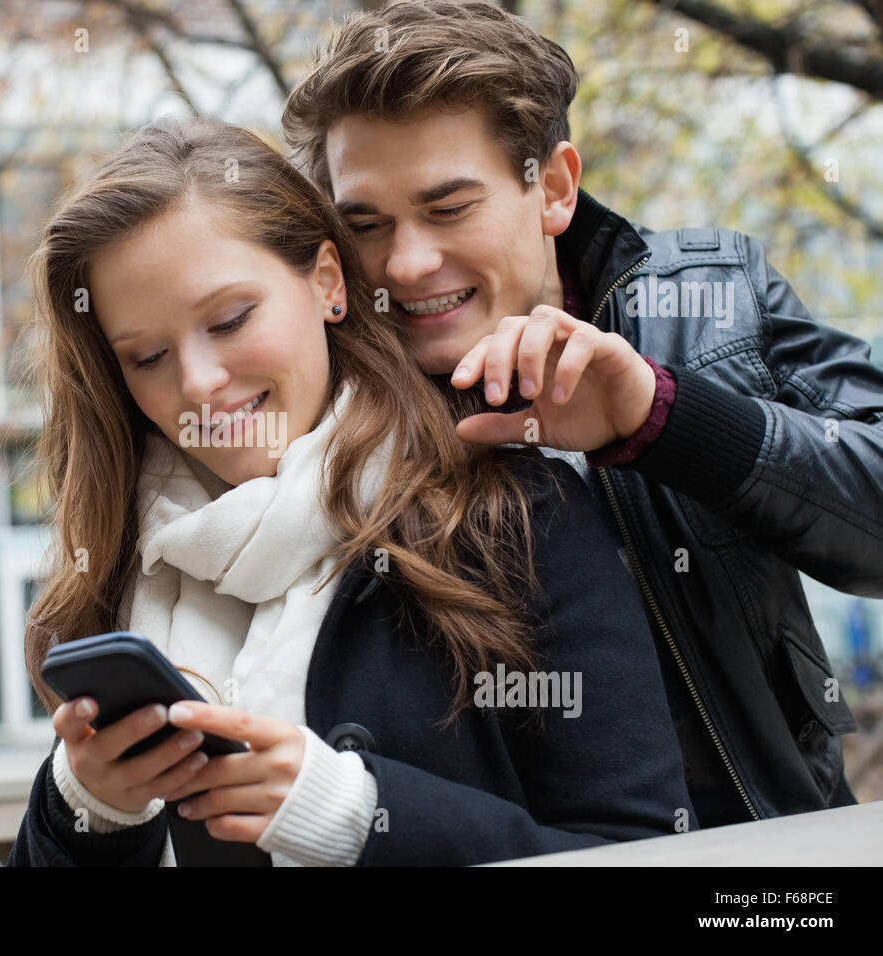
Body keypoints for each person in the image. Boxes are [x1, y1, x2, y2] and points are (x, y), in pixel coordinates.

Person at [7, 115, 694, 867]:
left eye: (231, 319)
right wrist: (85, 807)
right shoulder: (115, 564)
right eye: (146, 357)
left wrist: (361, 814)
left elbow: (642, 850)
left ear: (328, 283)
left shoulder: (511, 518)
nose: (198, 382)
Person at [279, 0, 874, 829]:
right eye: (366, 223)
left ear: (553, 187)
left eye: (450, 208)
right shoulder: (319, 390)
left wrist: (659, 418)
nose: (408, 264)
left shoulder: (715, 299)